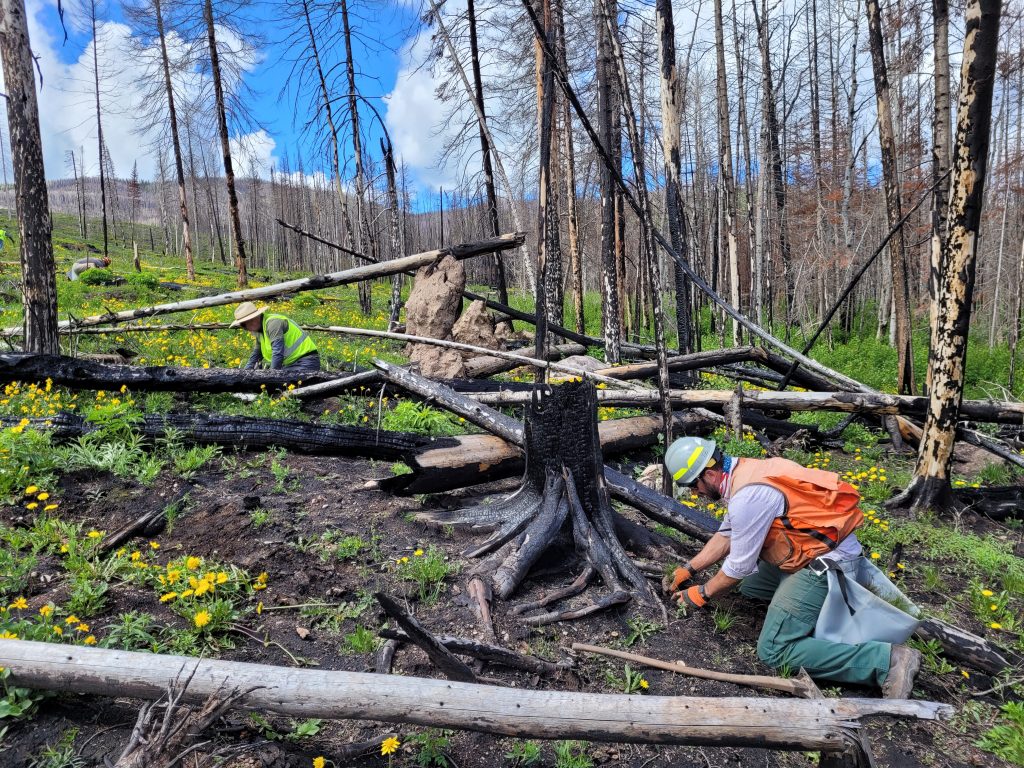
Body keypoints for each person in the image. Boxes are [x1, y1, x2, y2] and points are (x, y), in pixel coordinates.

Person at [662, 436, 921, 698]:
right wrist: (690, 569)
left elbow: (738, 567)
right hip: (819, 553)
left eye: (693, 485)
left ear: (709, 473)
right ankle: (813, 614)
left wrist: (701, 593)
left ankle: (886, 661)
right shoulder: (749, 472)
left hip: (827, 567)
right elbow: (727, 535)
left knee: (774, 650)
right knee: (752, 588)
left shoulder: (748, 497)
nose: (696, 494)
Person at [231, 301, 320, 373]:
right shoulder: (260, 330)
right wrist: (245, 373)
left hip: (306, 362)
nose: (247, 327)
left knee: (283, 389)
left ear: (256, 316)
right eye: (244, 324)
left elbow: (278, 352)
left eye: (248, 322)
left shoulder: (273, 323)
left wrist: (272, 375)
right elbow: (257, 354)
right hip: (290, 365)